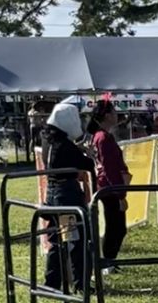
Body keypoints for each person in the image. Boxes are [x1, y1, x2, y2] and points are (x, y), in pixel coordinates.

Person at [40, 103, 95, 290]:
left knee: (58, 239)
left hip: (53, 192)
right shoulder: (65, 146)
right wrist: (87, 153)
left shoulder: (48, 139)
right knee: (76, 241)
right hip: (67, 193)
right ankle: (81, 284)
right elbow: (87, 163)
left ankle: (52, 282)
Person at [87, 100, 132, 273]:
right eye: (113, 112)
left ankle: (109, 262)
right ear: (107, 115)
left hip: (109, 187)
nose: (116, 115)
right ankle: (107, 262)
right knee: (117, 227)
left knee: (116, 227)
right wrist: (120, 194)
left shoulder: (100, 136)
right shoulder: (103, 137)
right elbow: (109, 168)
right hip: (110, 189)